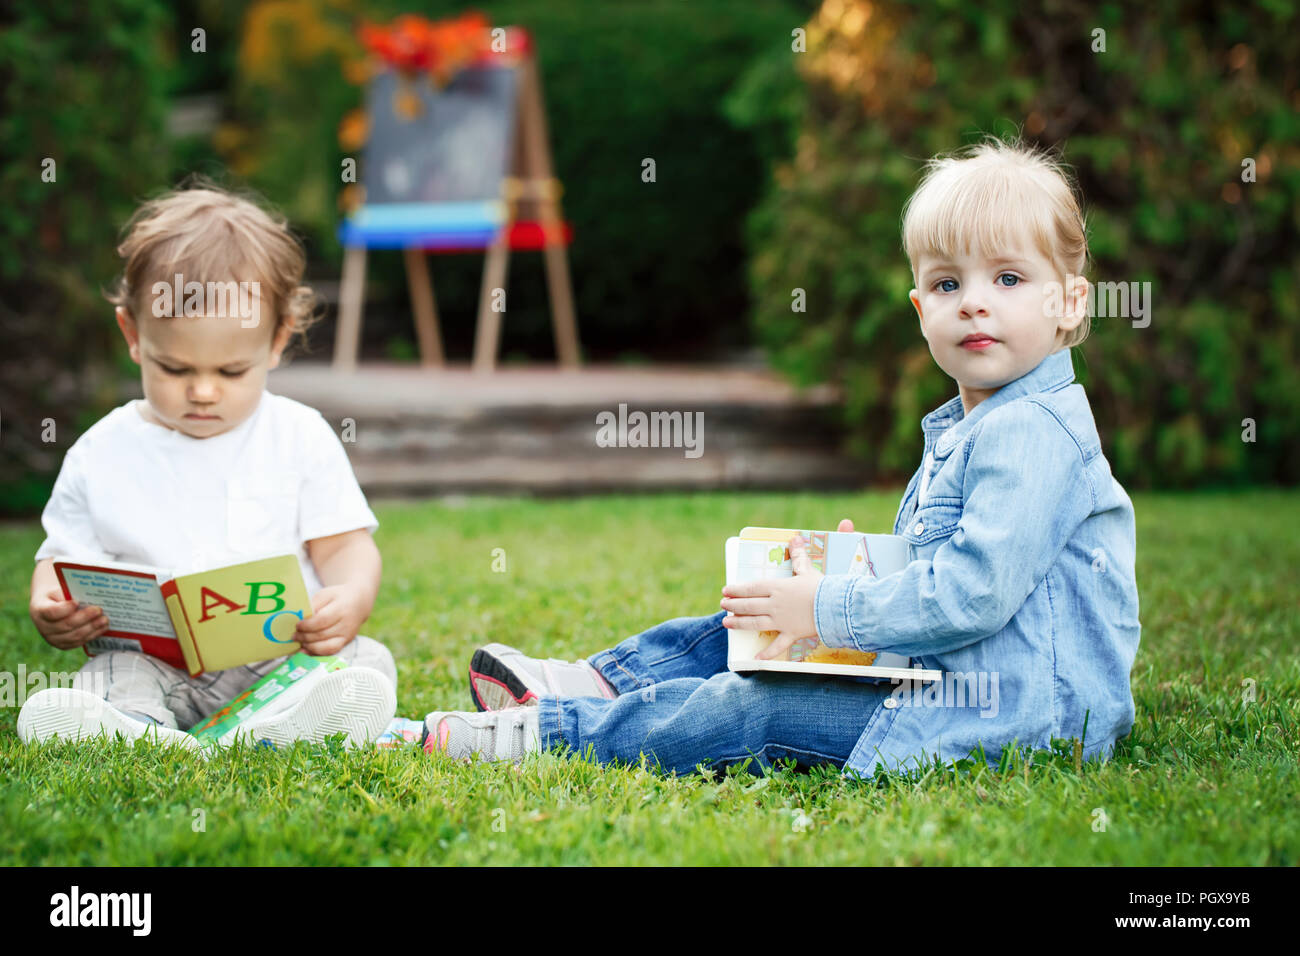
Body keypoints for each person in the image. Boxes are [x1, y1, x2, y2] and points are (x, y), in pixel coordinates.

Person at [422, 136, 1141, 779]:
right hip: (939, 679)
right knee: (751, 614)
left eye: (1008, 280)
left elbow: (972, 594)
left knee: (754, 707)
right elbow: (946, 572)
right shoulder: (975, 421)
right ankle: (596, 683)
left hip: (1007, 719)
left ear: (1070, 303)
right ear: (921, 309)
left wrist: (832, 607)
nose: (974, 305)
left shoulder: (1031, 431)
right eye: (948, 283)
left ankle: (539, 732)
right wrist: (863, 577)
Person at [18, 181, 397, 752]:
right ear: (133, 336)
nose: (201, 392)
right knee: (109, 677)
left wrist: (350, 598)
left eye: (230, 372)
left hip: (277, 661)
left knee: (364, 662)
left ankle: (277, 722)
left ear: (277, 341)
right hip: (154, 666)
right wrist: (52, 606)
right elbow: (62, 560)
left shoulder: (298, 435)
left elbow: (345, 547)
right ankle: (143, 731)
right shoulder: (101, 451)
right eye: (174, 368)